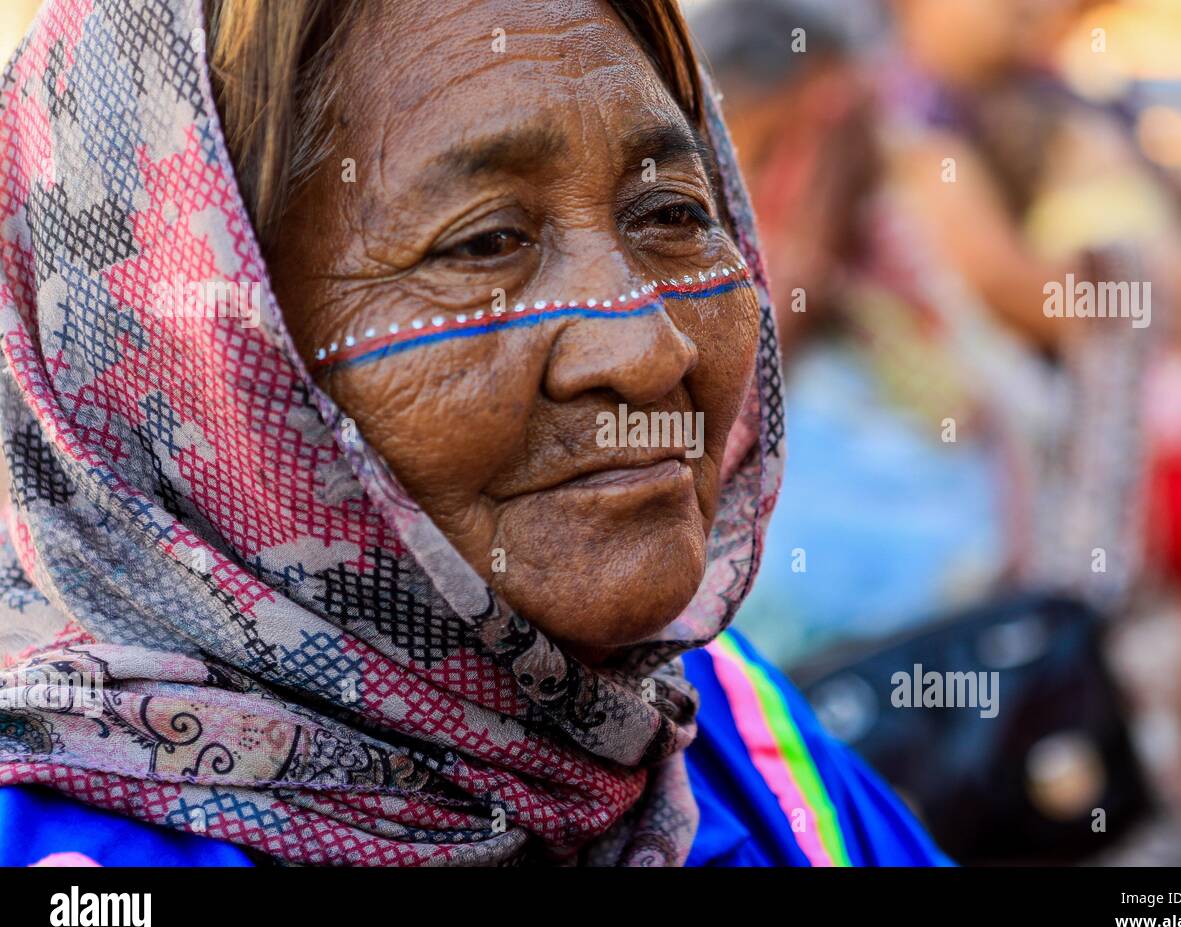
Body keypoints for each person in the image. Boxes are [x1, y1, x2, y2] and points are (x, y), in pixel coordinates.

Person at [0, 0, 947, 867]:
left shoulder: (724, 730)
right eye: (487, 242)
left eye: (671, 214)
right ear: (189, 351)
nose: (648, 348)